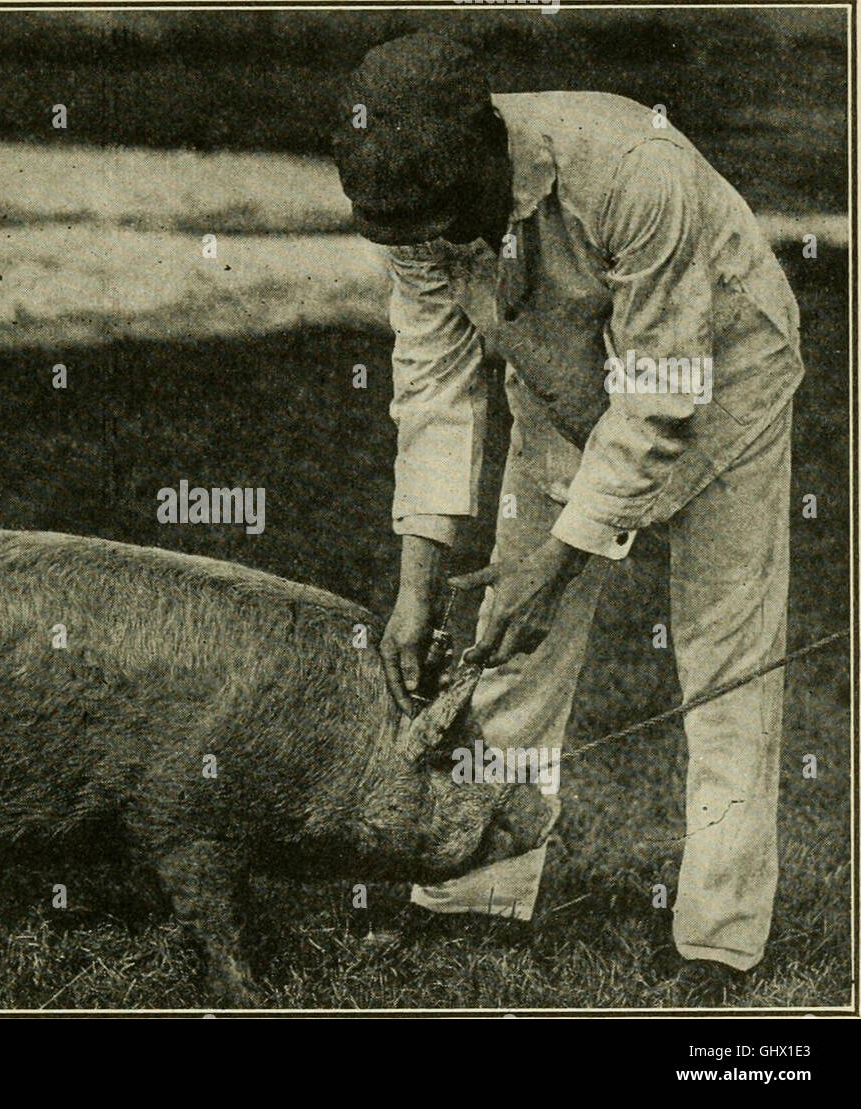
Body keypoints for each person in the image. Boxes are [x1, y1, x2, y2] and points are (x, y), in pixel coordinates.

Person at [332, 32, 804, 1005]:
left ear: (488, 144)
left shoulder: (634, 171)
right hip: (557, 393)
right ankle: (476, 888)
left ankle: (717, 939)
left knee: (725, 666)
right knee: (506, 653)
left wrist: (558, 563)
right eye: (410, 231)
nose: (439, 245)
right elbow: (434, 383)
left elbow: (661, 392)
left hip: (726, 390)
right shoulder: (418, 209)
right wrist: (417, 584)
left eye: (447, 219)